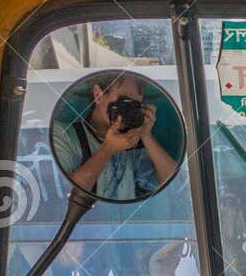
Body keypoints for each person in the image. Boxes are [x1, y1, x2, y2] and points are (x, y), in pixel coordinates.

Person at [52, 71, 178, 201]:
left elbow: (172, 183)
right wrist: (108, 149)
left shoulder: (135, 143)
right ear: (98, 95)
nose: (128, 111)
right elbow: (66, 192)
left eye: (135, 106)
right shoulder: (63, 134)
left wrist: (146, 134)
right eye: (124, 103)